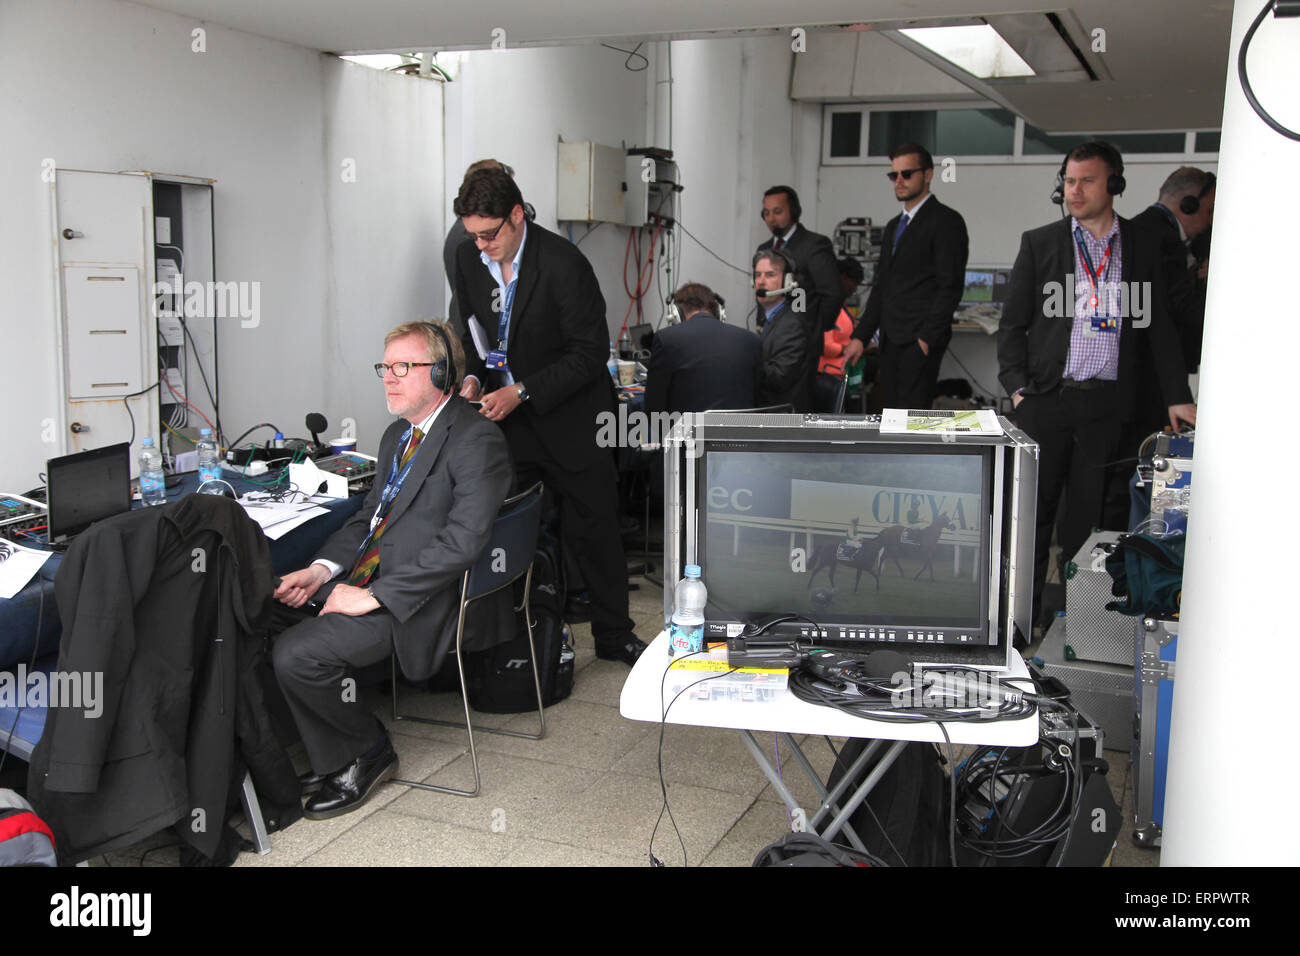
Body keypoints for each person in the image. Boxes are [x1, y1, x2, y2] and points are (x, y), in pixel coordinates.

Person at [271, 320, 512, 819]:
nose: (389, 377)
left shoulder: (476, 441)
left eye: (405, 367)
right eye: (386, 366)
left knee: (297, 652)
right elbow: (368, 518)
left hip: (424, 599)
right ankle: (331, 752)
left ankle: (366, 752)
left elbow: (462, 542)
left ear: (442, 373)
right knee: (263, 615)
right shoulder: (397, 434)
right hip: (371, 577)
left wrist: (373, 596)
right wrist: (320, 570)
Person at [996, 141, 1196, 630]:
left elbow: (1158, 328)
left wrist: (1177, 394)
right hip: (1047, 400)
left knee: (1086, 523)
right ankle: (1015, 624)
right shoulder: (1041, 243)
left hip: (1107, 404)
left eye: (1086, 180)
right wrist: (1019, 389)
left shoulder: (1141, 245)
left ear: (1115, 185)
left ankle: (1070, 622)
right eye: (1068, 181)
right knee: (1033, 514)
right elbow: (1012, 325)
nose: (1074, 190)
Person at [451, 167, 644, 665]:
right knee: (511, 522)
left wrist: (522, 390)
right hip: (509, 418)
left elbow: (587, 354)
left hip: (574, 416)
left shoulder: (563, 263)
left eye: (489, 234)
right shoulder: (467, 259)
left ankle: (614, 633)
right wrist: (472, 378)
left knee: (593, 526)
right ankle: (520, 630)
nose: (481, 246)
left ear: (517, 215)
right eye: (473, 235)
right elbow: (470, 331)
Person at [843, 143, 969, 409]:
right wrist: (860, 337)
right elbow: (881, 287)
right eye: (894, 175)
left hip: (918, 340)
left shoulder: (946, 221)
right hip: (890, 340)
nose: (899, 181)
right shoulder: (893, 226)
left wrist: (926, 339)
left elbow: (951, 286)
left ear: (928, 174)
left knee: (911, 418)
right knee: (890, 414)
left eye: (907, 174)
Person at [645, 282, 761, 414]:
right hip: (743, 433)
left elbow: (653, 410)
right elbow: (761, 400)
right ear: (718, 312)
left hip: (689, 433)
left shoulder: (665, 339)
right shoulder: (752, 340)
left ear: (677, 313)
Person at [754, 249, 809, 410]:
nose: (761, 282)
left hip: (781, 416)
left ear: (787, 282)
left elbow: (779, 377)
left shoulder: (792, 325)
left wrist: (743, 360)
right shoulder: (771, 318)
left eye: (770, 275)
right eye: (757, 275)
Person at [813, 257, 863, 412]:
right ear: (843, 278)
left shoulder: (843, 307)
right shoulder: (828, 308)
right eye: (854, 282)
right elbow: (825, 344)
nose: (854, 289)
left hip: (840, 376)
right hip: (826, 376)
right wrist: (848, 349)